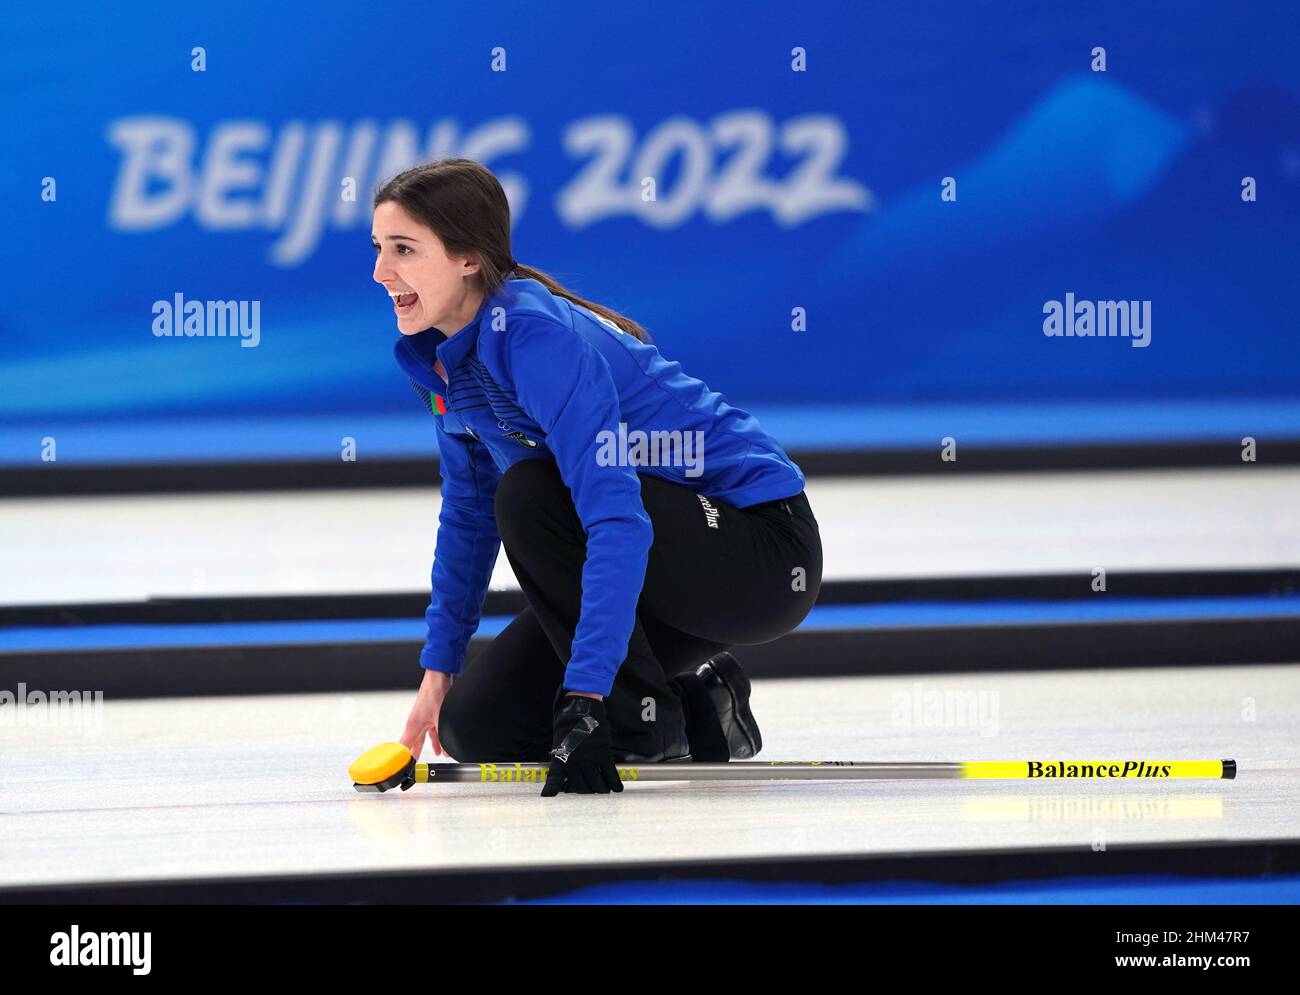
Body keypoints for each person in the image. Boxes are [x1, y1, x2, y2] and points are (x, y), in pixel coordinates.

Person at [373, 158, 822, 797]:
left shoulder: (533, 338)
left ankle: (645, 719)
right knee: (478, 726)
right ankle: (703, 711)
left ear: (468, 257)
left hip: (760, 557)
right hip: (667, 572)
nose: (381, 272)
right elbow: (467, 514)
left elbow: (613, 516)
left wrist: (588, 697)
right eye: (379, 249)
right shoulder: (439, 360)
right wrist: (437, 672)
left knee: (530, 493)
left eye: (404, 250)